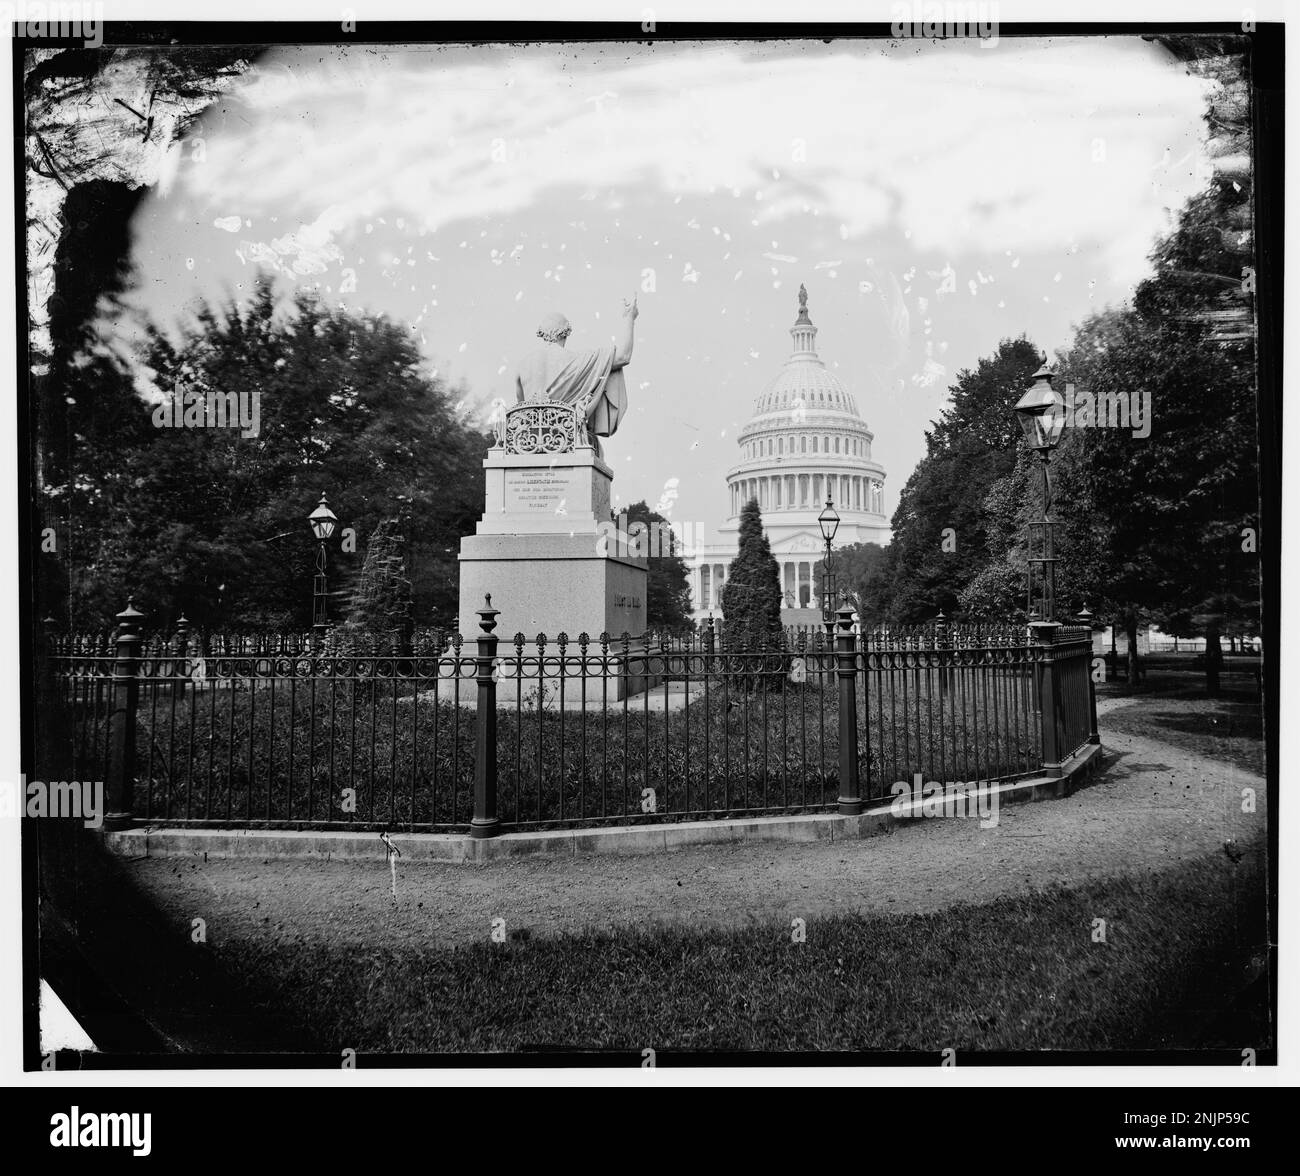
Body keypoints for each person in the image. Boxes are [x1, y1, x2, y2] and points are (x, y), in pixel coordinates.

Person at [514, 297, 637, 456]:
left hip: (529, 443)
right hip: (566, 441)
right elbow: (623, 357)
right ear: (566, 333)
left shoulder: (522, 365)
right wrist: (630, 318)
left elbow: (522, 408)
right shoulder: (577, 361)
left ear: (542, 334)